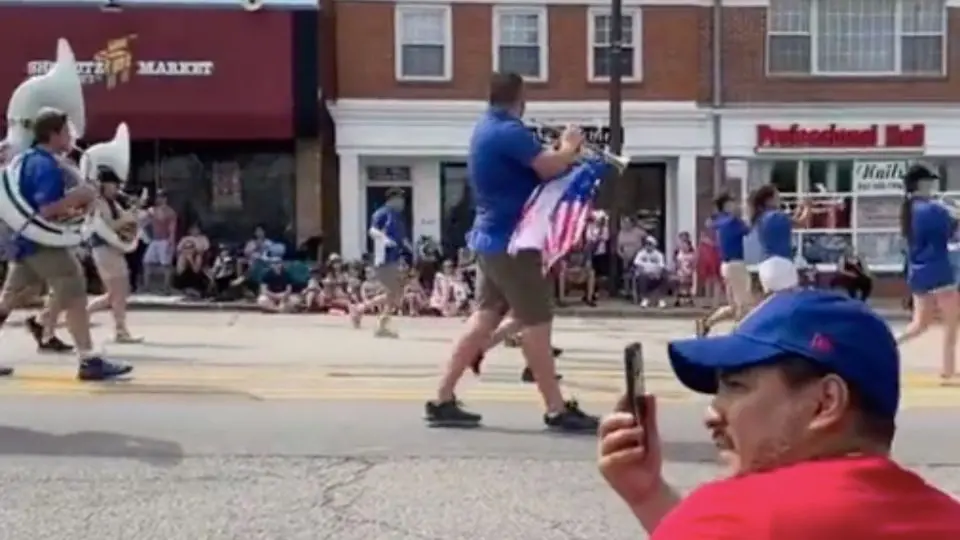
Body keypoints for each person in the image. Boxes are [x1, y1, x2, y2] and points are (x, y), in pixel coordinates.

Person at [598, 289, 960, 539]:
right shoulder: (947, 520)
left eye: (736, 386)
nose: (712, 413)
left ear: (825, 403)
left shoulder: (730, 517)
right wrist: (649, 496)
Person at [425, 72, 597, 430]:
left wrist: (560, 154)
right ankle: (556, 407)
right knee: (537, 320)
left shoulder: (486, 128)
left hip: (491, 239)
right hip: (513, 242)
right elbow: (548, 166)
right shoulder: (508, 131)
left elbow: (534, 170)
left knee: (485, 316)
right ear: (520, 96)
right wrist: (568, 146)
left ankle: (442, 398)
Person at [0, 109, 131, 379]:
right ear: (55, 134)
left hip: (26, 241)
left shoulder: (27, 159)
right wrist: (79, 196)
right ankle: (88, 360)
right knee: (73, 289)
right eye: (67, 131)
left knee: (12, 298)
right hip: (43, 242)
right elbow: (46, 209)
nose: (71, 136)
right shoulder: (45, 165)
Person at [896, 164, 958, 383]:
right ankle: (948, 370)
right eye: (929, 181)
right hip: (939, 269)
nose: (932, 185)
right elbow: (951, 231)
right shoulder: (933, 209)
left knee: (920, 324)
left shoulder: (909, 210)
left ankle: (889, 344)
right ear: (921, 183)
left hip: (918, 271)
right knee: (951, 322)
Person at [86, 167, 142, 343]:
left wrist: (132, 213)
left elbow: (123, 221)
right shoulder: (99, 203)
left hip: (113, 249)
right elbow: (108, 226)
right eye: (113, 185)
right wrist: (127, 218)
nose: (116, 188)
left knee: (116, 293)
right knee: (119, 292)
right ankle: (120, 330)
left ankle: (83, 314)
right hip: (104, 249)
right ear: (103, 185)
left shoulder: (112, 202)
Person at [349, 187, 411, 337]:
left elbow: (402, 238)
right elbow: (372, 230)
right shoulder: (381, 213)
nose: (402, 202)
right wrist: (384, 239)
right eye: (400, 199)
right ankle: (379, 322)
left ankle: (363, 311)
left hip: (395, 259)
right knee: (394, 292)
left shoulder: (398, 217)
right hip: (384, 259)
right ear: (392, 199)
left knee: (396, 293)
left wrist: (409, 249)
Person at [698, 193, 752, 336]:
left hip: (726, 266)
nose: (736, 205)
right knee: (743, 305)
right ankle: (739, 334)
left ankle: (706, 323)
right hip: (736, 264)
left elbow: (711, 224)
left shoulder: (719, 221)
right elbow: (749, 230)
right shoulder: (733, 221)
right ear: (726, 205)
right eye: (732, 203)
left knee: (734, 307)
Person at [749, 184, 810, 294]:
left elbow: (790, 221)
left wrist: (799, 209)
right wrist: (808, 207)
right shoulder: (778, 216)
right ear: (769, 200)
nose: (779, 200)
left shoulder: (761, 217)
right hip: (781, 264)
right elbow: (802, 223)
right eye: (777, 197)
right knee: (789, 300)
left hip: (765, 265)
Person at [631, 237, 667, 307]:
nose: (648, 246)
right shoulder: (640, 253)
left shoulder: (659, 254)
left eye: (650, 244)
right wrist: (647, 273)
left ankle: (661, 300)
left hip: (656, 274)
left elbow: (661, 266)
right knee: (642, 277)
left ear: (654, 245)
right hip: (644, 273)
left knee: (664, 277)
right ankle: (645, 299)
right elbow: (637, 265)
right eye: (647, 244)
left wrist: (657, 273)